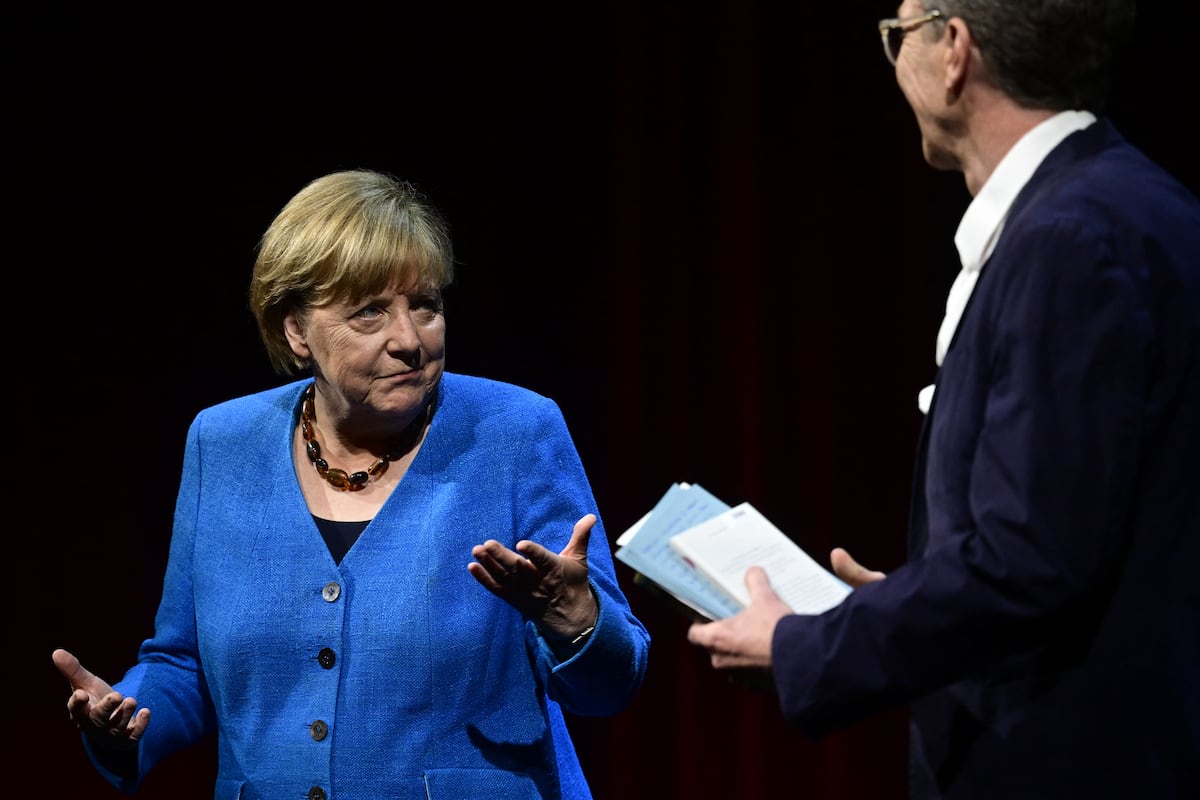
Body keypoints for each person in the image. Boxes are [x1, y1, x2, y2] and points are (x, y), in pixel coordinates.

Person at [687, 1, 1200, 797]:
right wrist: (905, 604)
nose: (893, 62)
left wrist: (803, 649)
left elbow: (1027, 561)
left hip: (1070, 759)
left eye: (898, 36)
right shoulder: (1131, 204)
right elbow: (1080, 533)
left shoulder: (1070, 237)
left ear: (953, 49)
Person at [51, 169, 650, 800]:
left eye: (426, 305)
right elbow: (182, 664)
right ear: (296, 331)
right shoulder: (221, 443)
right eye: (369, 313)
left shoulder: (516, 433)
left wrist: (576, 622)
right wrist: (125, 719)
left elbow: (611, 684)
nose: (410, 341)